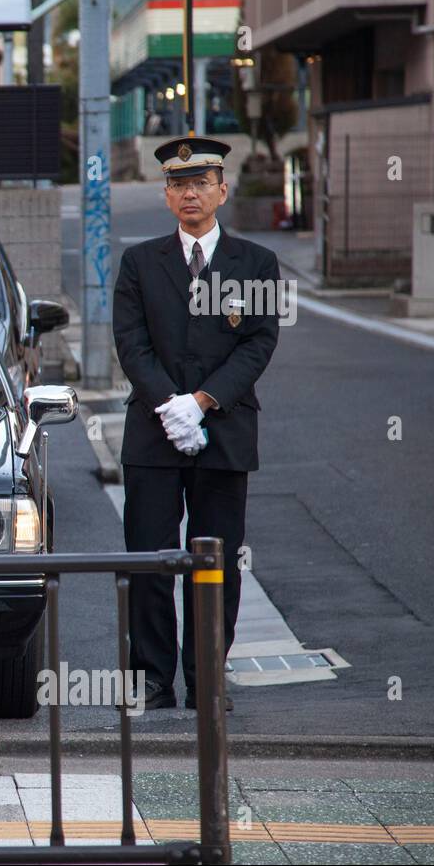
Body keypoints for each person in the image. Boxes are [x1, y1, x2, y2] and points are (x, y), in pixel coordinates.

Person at [111, 136, 282, 711]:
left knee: (217, 563)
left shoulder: (255, 263)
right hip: (153, 432)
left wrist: (203, 401)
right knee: (150, 560)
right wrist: (171, 405)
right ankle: (152, 679)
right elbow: (131, 344)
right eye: (179, 185)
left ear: (221, 191)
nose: (190, 194)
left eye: (201, 183)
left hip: (225, 430)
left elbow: (259, 341)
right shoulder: (140, 261)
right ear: (166, 196)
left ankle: (207, 677)